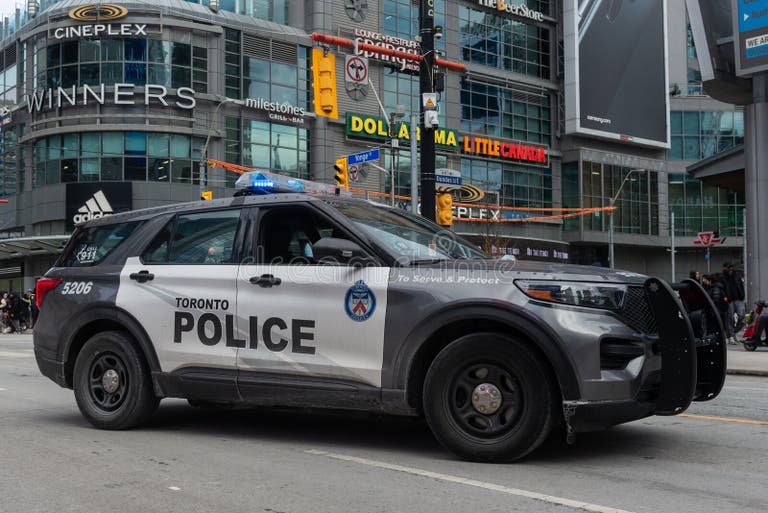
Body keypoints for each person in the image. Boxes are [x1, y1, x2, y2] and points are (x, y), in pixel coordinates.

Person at [702, 274, 731, 342]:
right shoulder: (710, 288)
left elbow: (715, 301)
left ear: (710, 281)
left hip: (715, 312)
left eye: (705, 280)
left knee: (715, 327)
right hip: (713, 312)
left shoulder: (715, 289)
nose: (703, 281)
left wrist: (712, 310)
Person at [722, 262, 746, 337]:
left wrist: (742, 295)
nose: (730, 269)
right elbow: (721, 288)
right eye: (728, 268)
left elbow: (741, 286)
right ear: (724, 268)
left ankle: (734, 332)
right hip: (729, 300)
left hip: (739, 299)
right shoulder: (722, 278)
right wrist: (724, 297)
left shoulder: (737, 276)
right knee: (730, 318)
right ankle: (731, 335)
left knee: (742, 317)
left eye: (731, 267)